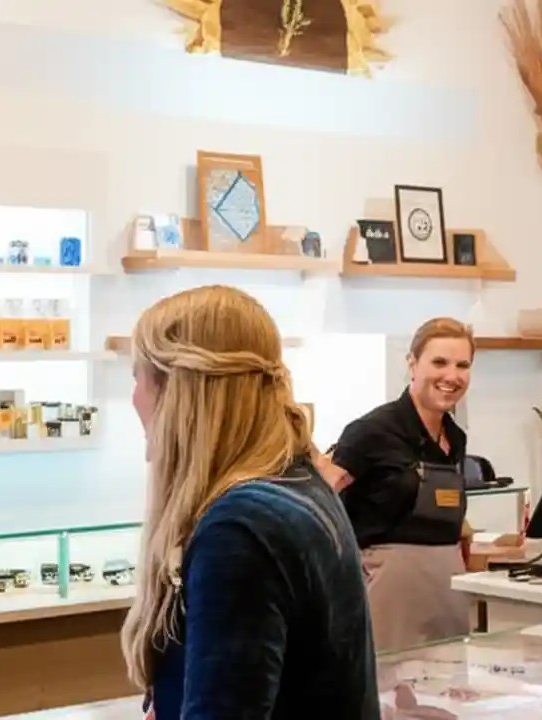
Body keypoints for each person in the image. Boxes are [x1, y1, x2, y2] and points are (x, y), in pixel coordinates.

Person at [121, 285, 379, 720]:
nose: (135, 399)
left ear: (178, 392)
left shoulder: (239, 529)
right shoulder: (299, 485)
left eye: (138, 378)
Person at [316, 316, 475, 654]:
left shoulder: (455, 438)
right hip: (388, 593)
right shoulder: (372, 431)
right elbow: (321, 499)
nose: (452, 375)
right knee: (389, 697)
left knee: (447, 694)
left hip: (448, 589)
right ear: (412, 364)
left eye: (462, 365)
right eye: (440, 362)